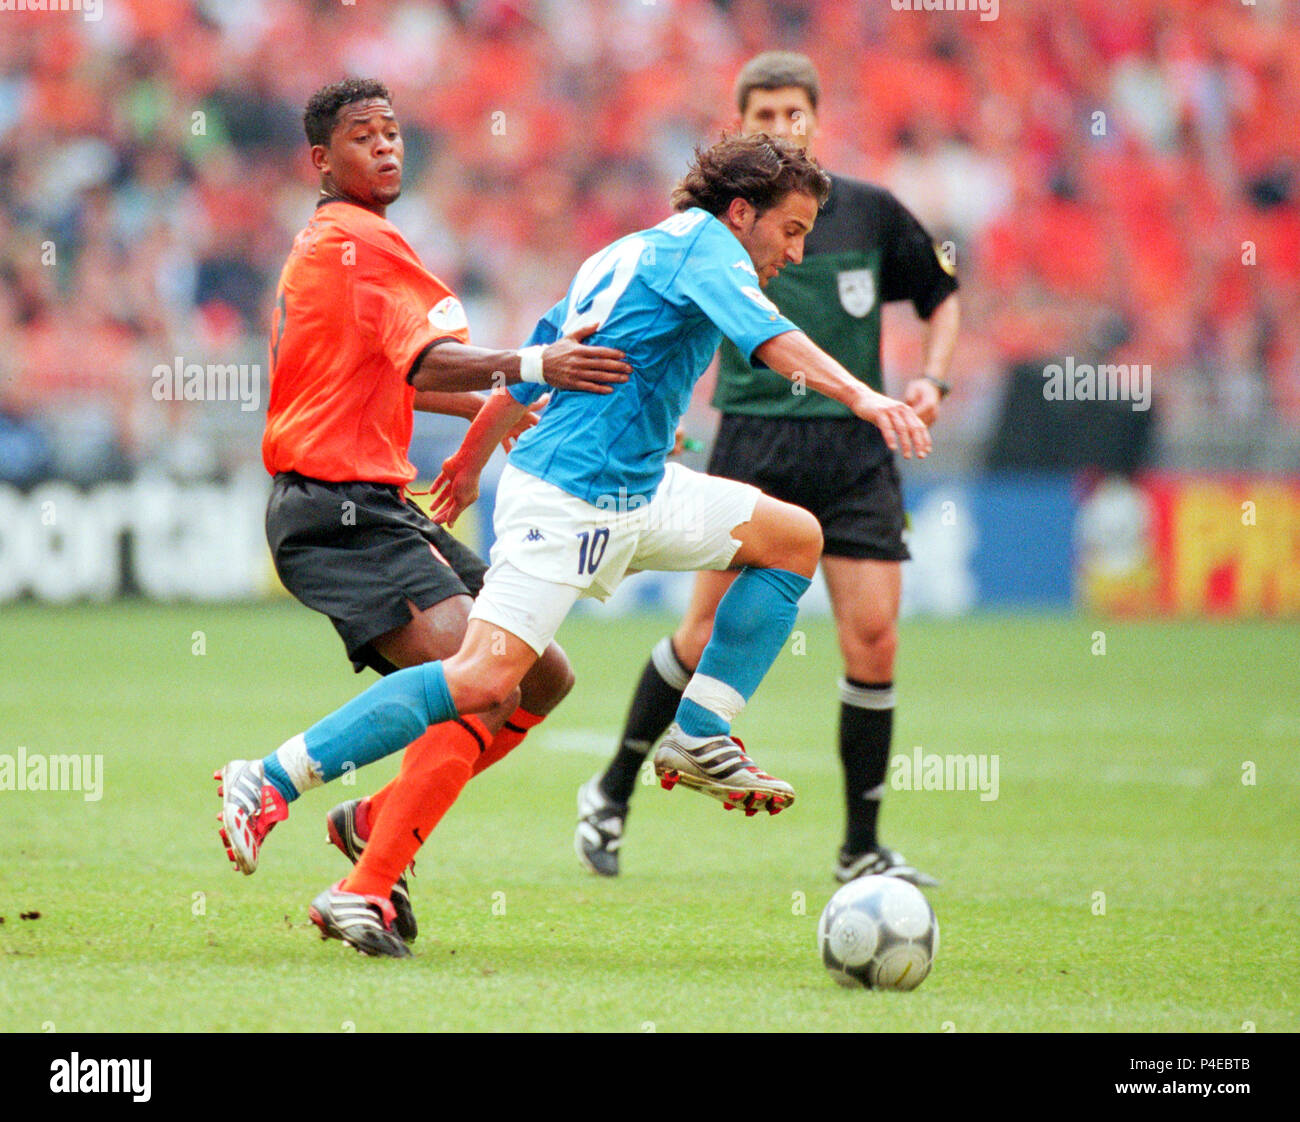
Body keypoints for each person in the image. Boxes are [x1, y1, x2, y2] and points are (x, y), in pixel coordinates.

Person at [220, 130, 931, 957]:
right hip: (568, 497)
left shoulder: (628, 251)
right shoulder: (708, 247)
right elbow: (771, 344)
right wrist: (863, 397)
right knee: (486, 679)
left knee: (791, 538)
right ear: (742, 214)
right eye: (792, 230)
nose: (797, 251)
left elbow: (536, 363)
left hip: (632, 490)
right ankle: (270, 778)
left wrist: (471, 455)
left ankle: (699, 732)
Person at [213, 78, 631, 953]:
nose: (387, 147)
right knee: (485, 676)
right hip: (338, 510)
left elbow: (396, 380)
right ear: (322, 161)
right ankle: (272, 781)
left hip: (372, 503)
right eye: (364, 136)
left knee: (542, 674)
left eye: (394, 133)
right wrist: (535, 362)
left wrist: (529, 407)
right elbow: (436, 363)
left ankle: (377, 822)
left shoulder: (332, 245)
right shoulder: (363, 241)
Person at [575, 52, 960, 886]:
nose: (783, 126)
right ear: (742, 122)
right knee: (702, 634)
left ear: (815, 119)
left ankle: (861, 845)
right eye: (765, 114)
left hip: (855, 455)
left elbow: (941, 293)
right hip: (755, 440)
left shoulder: (866, 213)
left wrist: (932, 377)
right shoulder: (720, 233)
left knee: (874, 639)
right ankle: (612, 790)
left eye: (794, 113)